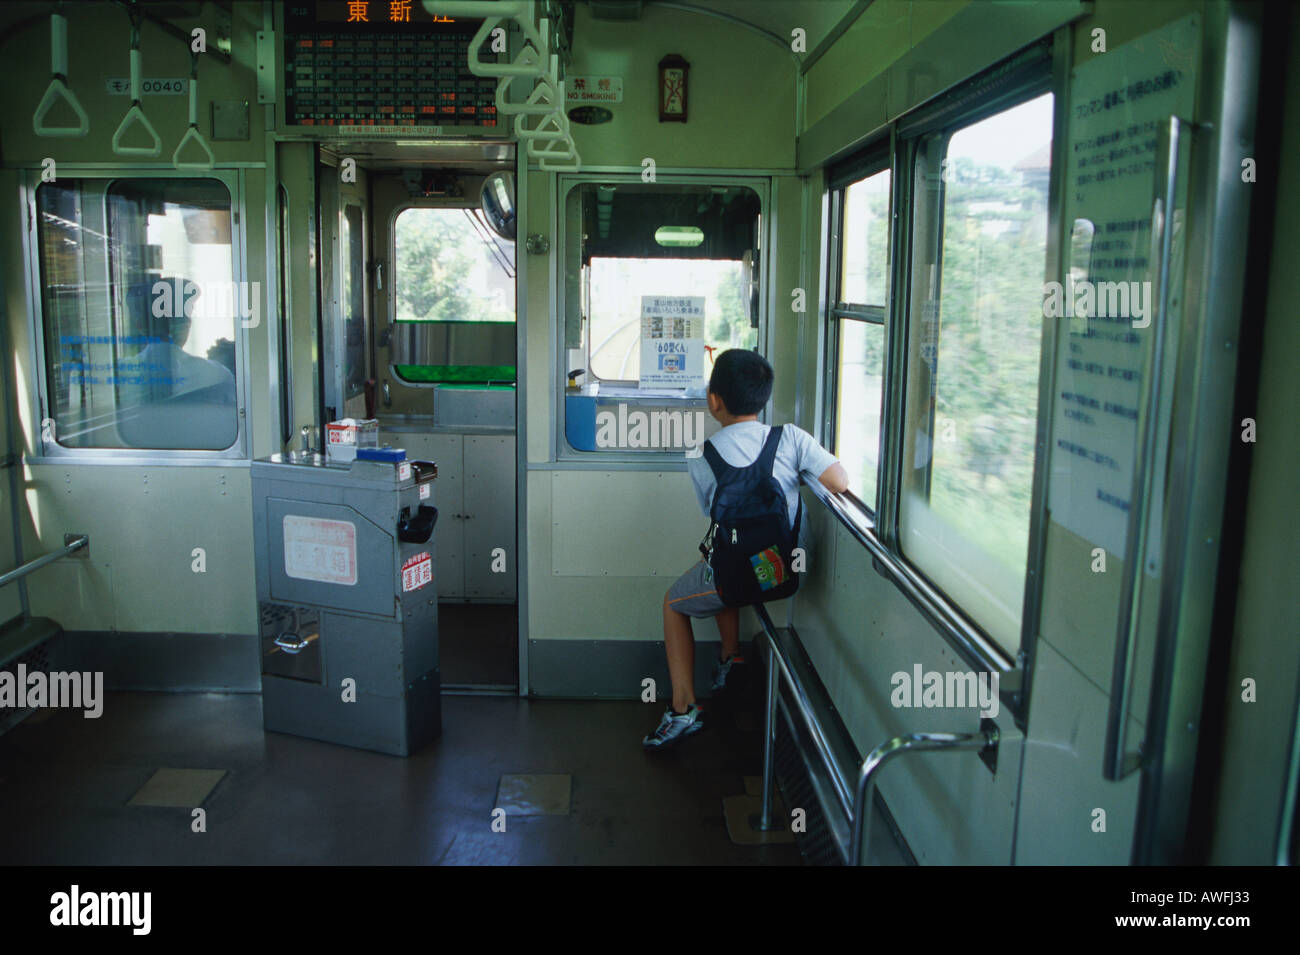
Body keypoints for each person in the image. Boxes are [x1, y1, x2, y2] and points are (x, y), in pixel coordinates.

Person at [642, 349, 849, 749]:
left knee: (675, 600)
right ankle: (731, 658)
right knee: (725, 562)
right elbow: (838, 481)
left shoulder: (703, 455)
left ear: (714, 400)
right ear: (763, 397)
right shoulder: (789, 437)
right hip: (788, 572)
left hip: (738, 575)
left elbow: (714, 512)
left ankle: (683, 708)